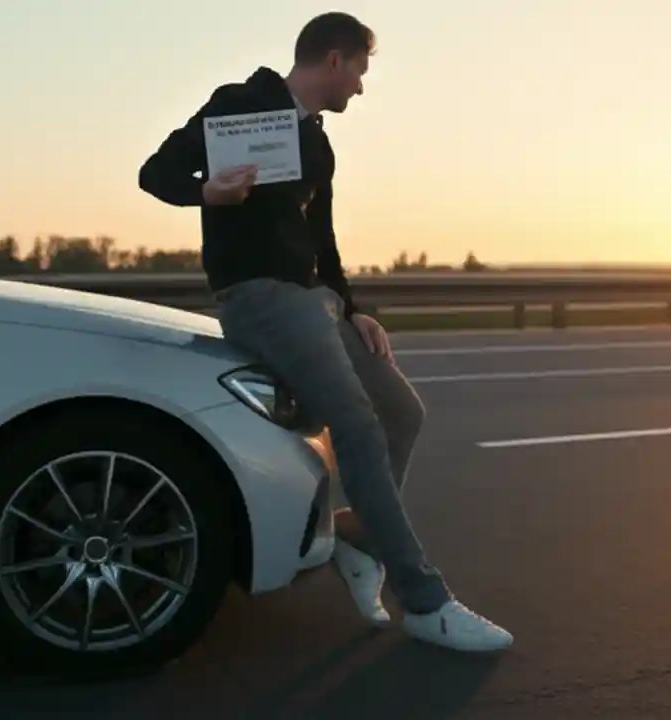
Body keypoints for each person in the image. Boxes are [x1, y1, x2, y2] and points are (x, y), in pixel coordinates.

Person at [137, 11, 512, 653]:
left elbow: (323, 241)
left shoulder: (318, 143)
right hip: (258, 295)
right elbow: (155, 174)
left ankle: (358, 543)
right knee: (358, 426)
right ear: (334, 61)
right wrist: (209, 193)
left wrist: (355, 306)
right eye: (360, 71)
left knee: (402, 411)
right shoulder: (241, 103)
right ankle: (425, 601)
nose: (361, 88)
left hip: (315, 301)